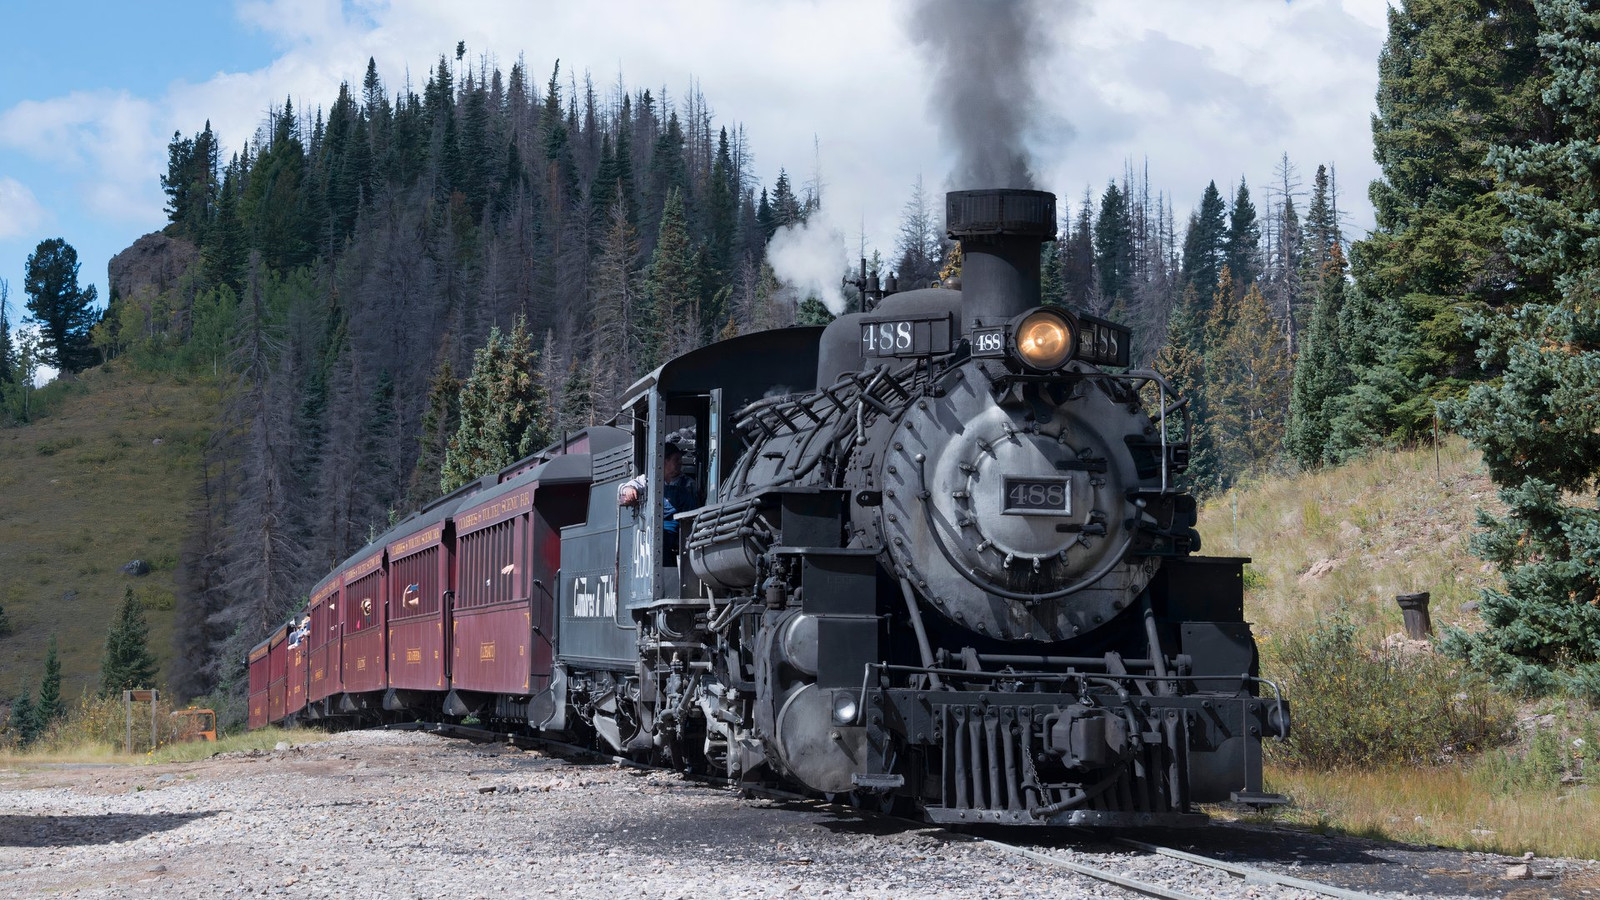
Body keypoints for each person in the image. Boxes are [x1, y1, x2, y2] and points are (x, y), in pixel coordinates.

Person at [618, 442, 698, 559]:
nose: (680, 462)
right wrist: (629, 489)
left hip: (677, 533)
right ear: (665, 461)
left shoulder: (688, 484)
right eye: (676, 459)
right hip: (652, 531)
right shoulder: (648, 480)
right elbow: (626, 487)